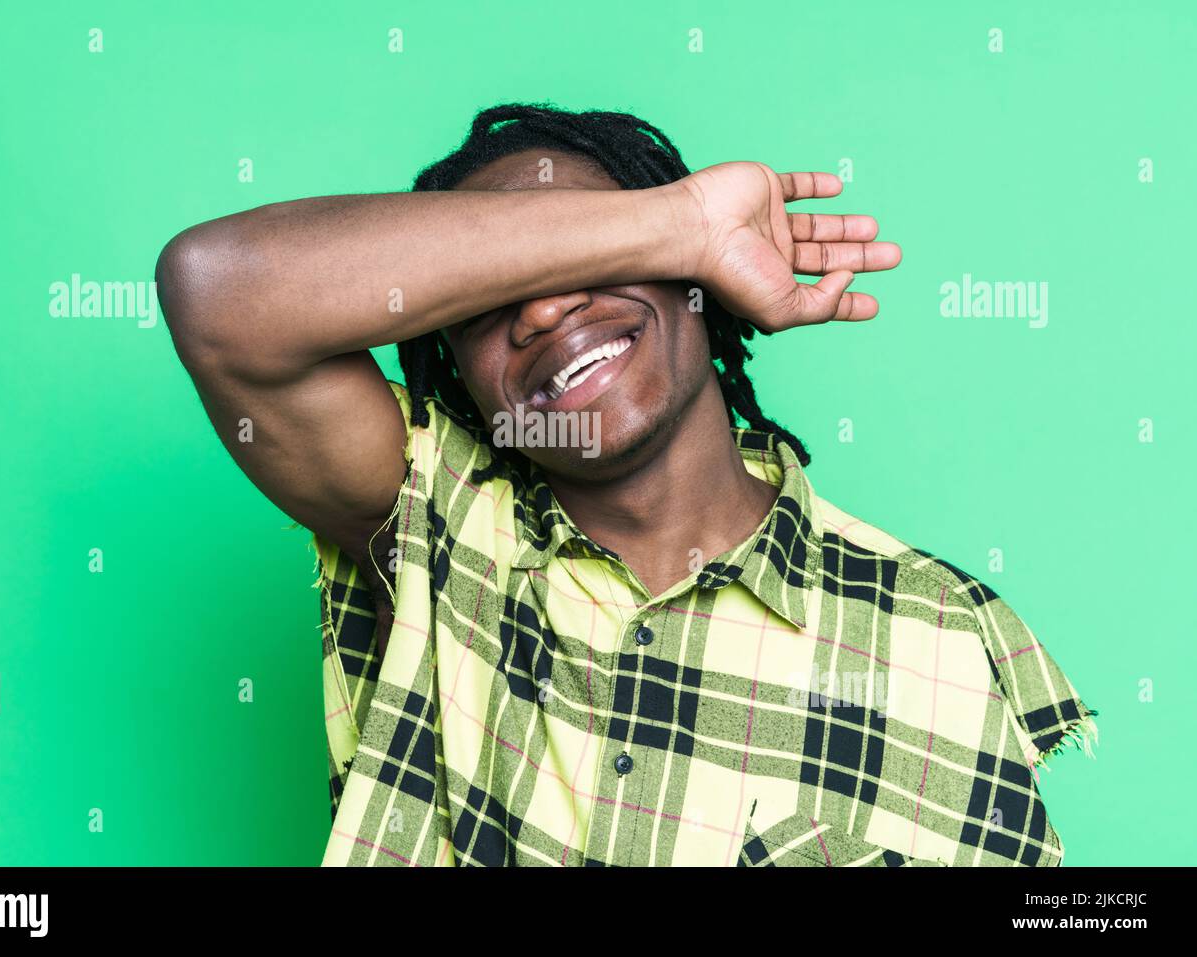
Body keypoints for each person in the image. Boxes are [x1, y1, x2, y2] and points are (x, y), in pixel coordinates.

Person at [155, 102, 1097, 867]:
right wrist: (679, 220)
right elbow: (215, 291)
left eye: (590, 258)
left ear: (698, 286)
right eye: (491, 297)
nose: (549, 307)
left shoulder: (935, 631)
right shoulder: (439, 513)